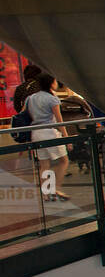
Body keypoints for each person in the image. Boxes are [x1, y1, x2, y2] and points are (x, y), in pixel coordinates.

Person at [25, 71, 70, 201]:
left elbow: (24, 114)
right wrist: (67, 138)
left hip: (36, 133)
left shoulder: (31, 98)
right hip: (50, 132)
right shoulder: (52, 99)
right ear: (51, 83)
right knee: (64, 161)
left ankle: (46, 194)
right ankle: (55, 188)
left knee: (44, 165)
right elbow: (59, 121)